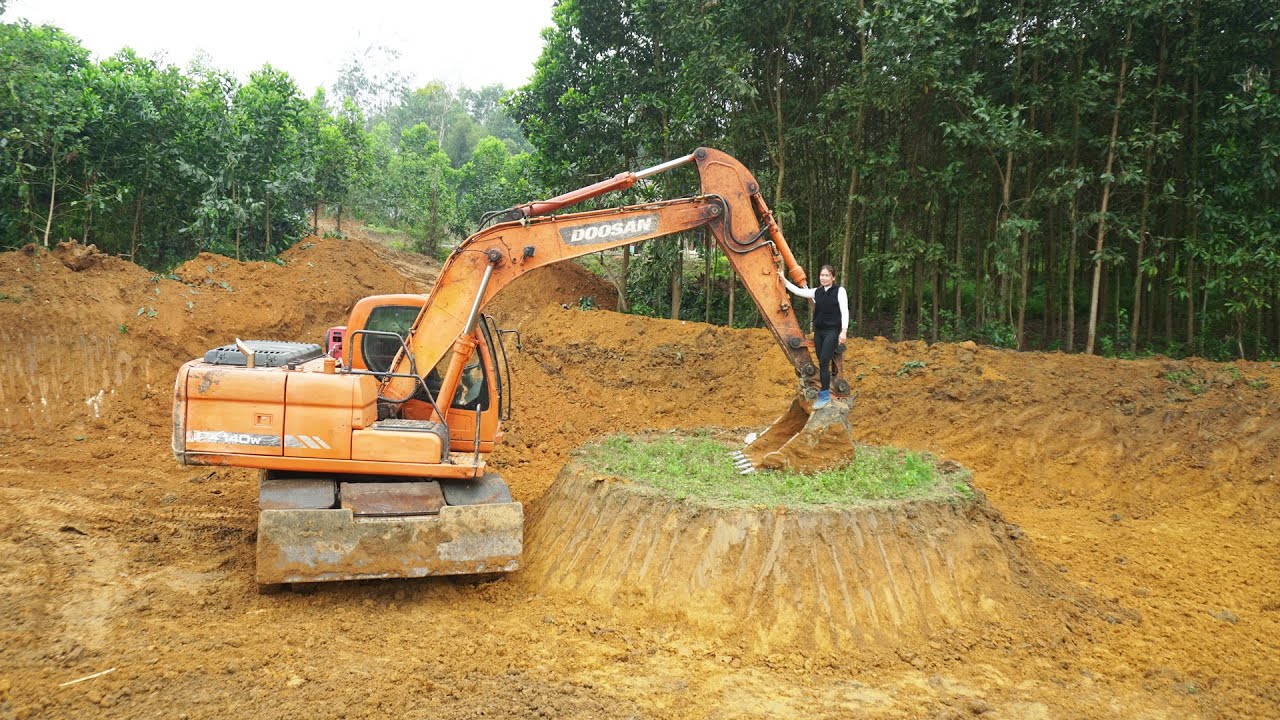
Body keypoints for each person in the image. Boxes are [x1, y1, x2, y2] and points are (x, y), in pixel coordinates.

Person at [779, 264, 848, 409]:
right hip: (819, 331)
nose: (823, 278)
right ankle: (825, 391)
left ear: (833, 277)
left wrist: (843, 331)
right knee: (821, 360)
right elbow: (798, 291)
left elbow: (844, 311)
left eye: (827, 275)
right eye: (822, 275)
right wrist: (784, 280)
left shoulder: (839, 291)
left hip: (832, 331)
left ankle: (824, 395)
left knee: (824, 360)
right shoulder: (817, 291)